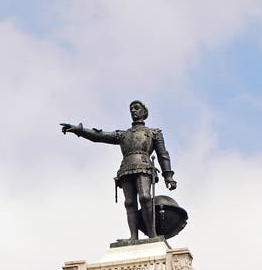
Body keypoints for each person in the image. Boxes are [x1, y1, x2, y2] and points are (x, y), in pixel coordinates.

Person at [61, 100, 177, 241]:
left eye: (136, 108)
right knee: (129, 203)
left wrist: (168, 176)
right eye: (131, 109)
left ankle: (152, 235)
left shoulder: (153, 133)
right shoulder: (123, 135)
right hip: (126, 168)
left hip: (144, 166)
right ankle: (133, 237)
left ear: (144, 112)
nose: (133, 111)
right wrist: (79, 130)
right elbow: (99, 136)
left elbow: (163, 154)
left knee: (145, 197)